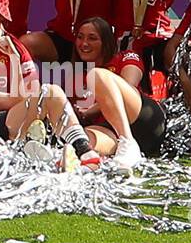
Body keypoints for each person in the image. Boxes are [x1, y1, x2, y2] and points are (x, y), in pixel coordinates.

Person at [0, 0, 100, 164]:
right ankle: (41, 149)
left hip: (4, 120)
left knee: (51, 92)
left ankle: (84, 151)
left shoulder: (16, 50)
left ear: (2, 16)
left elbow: (31, 93)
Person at [66, 17, 159, 169]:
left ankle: (128, 140)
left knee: (97, 75)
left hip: (140, 118)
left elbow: (129, 87)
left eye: (92, 38)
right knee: (80, 137)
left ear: (106, 41)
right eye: (80, 37)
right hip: (110, 131)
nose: (84, 44)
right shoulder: (75, 76)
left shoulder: (126, 57)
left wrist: (92, 110)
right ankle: (77, 158)